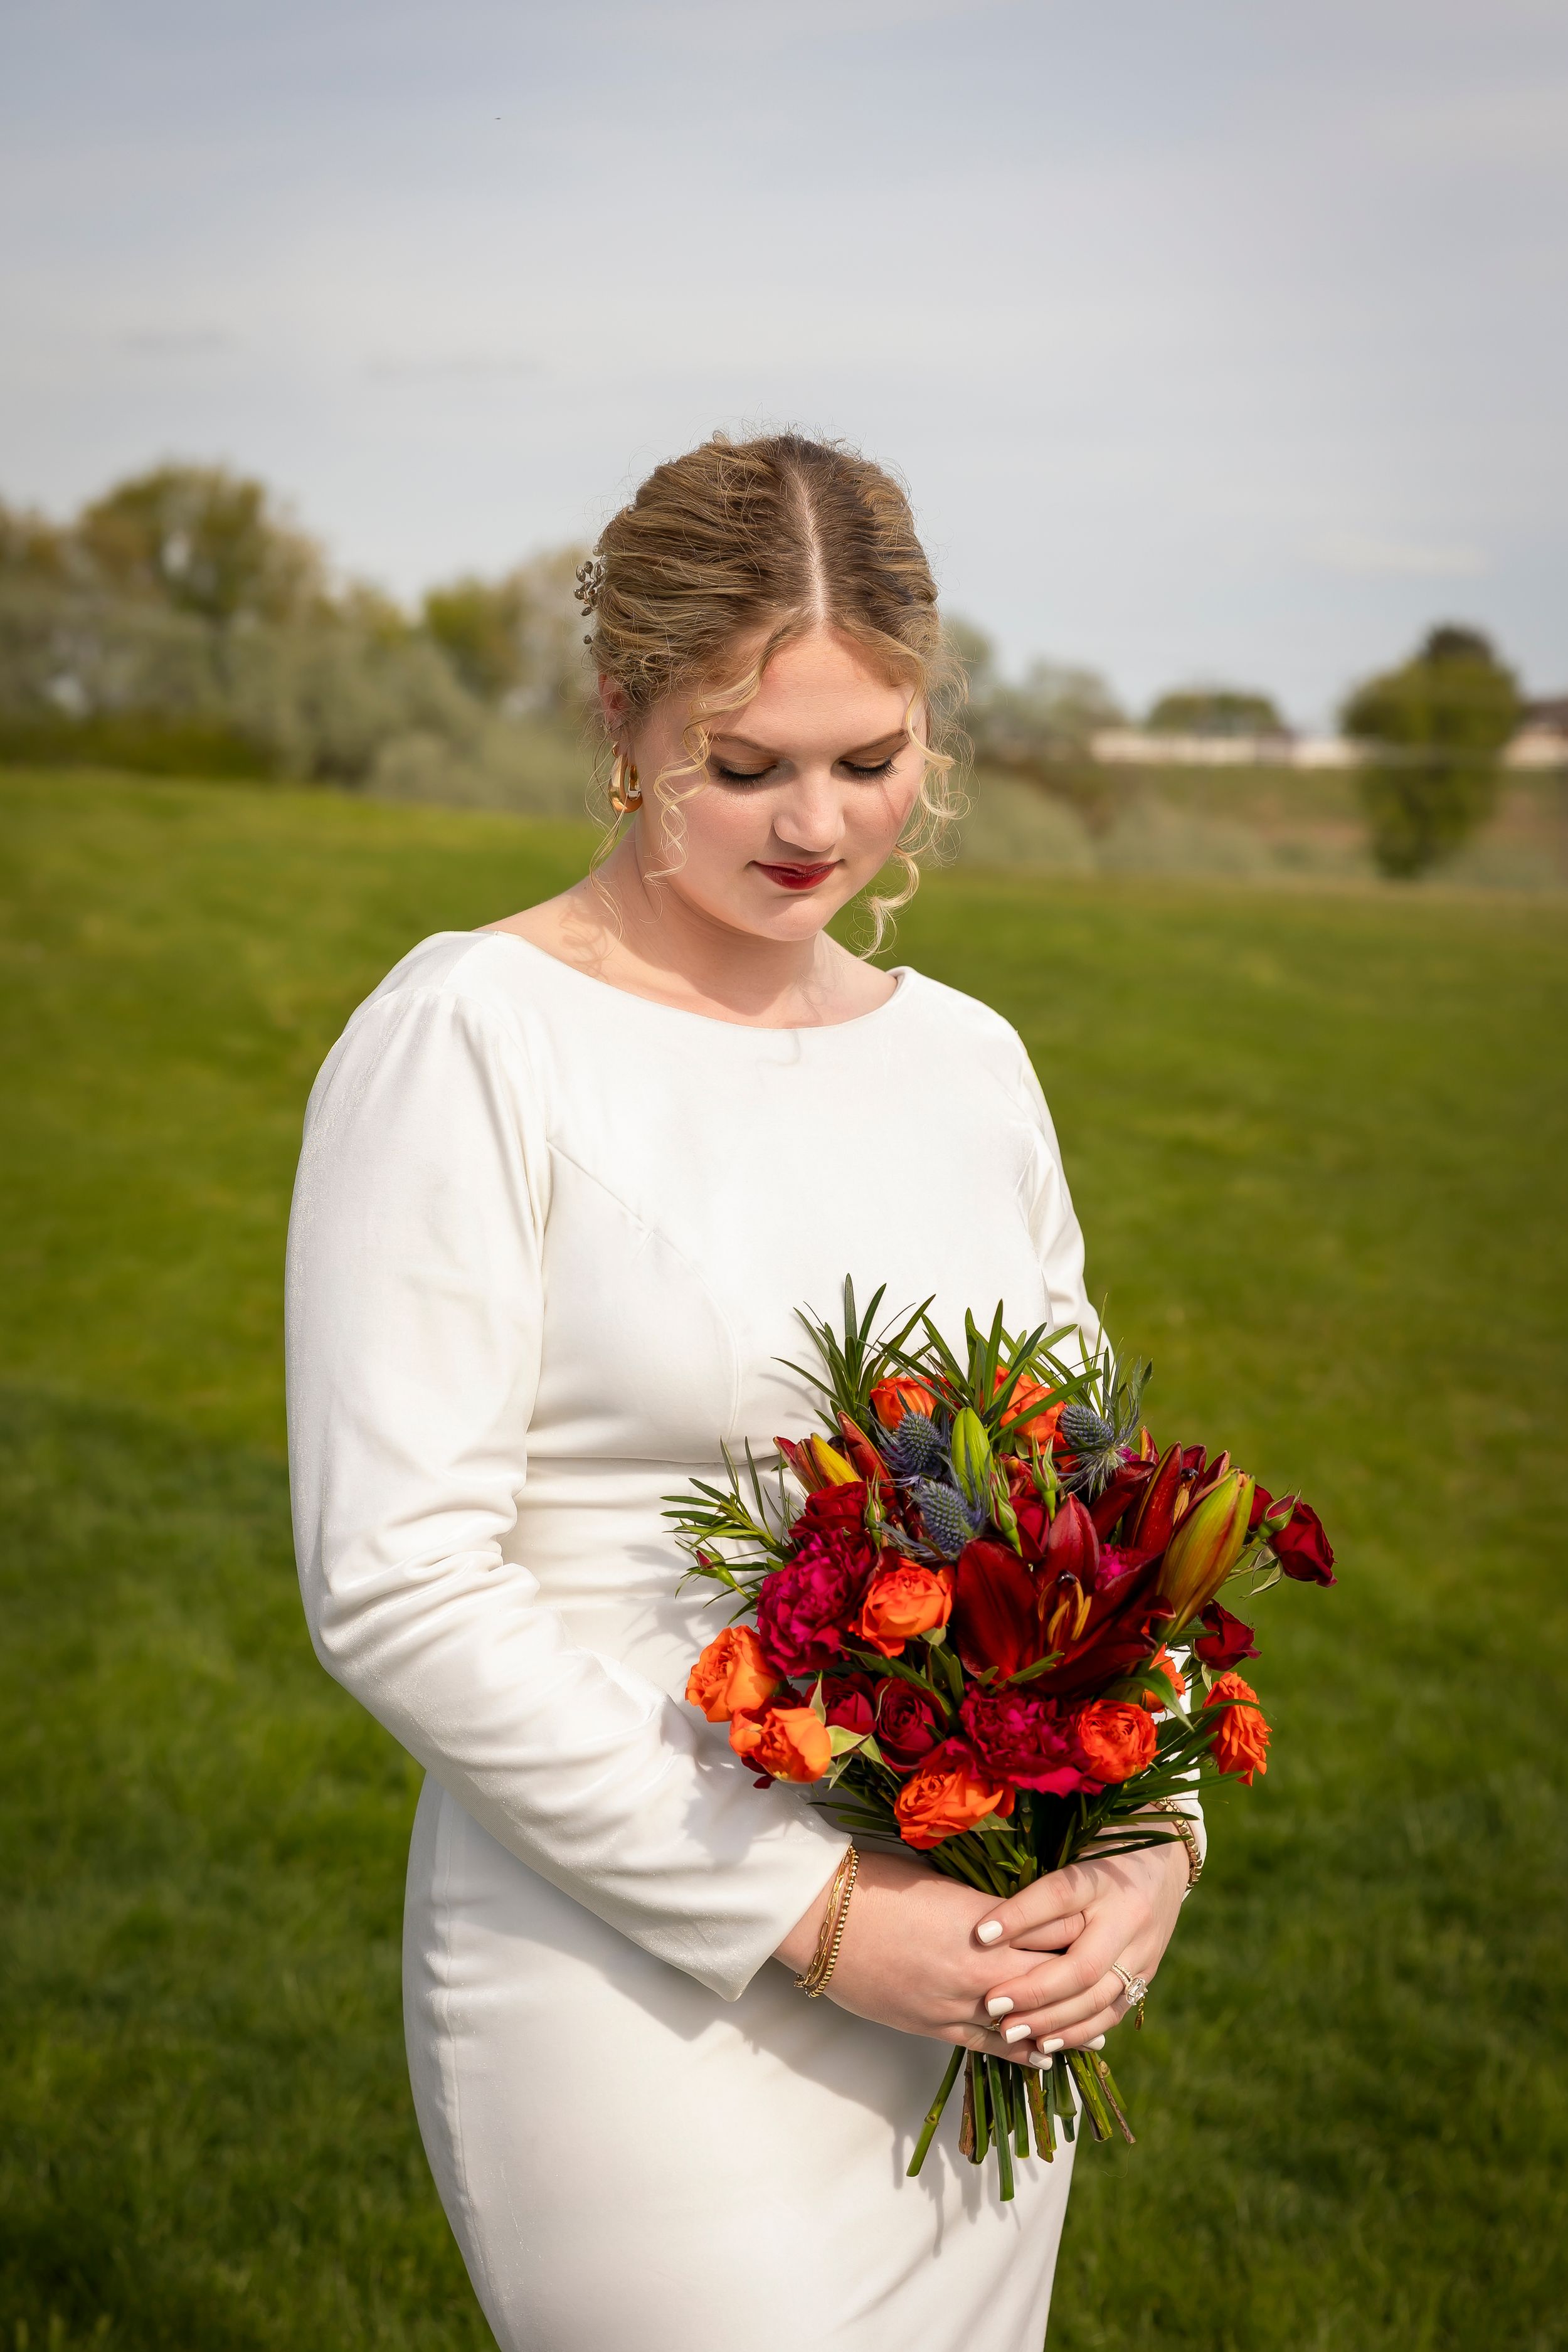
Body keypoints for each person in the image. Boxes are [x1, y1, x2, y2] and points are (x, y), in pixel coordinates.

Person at [285, 433, 1196, 2351]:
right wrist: (817, 1918)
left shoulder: (968, 1062)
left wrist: (1143, 1845)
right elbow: (396, 1578)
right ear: (619, 718)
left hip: (976, 1956)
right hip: (632, 1972)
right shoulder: (472, 1037)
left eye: (867, 761)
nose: (813, 826)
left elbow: (1091, 1509)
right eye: (746, 763)